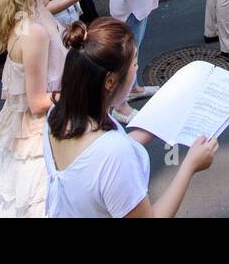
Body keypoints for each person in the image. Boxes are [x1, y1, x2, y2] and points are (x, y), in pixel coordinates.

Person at [44, 18, 218, 217]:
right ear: (110, 81)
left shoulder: (57, 113)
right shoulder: (115, 153)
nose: (136, 68)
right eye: (134, 63)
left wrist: (155, 123)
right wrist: (190, 165)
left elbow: (93, 163)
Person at [0, 0, 65, 217]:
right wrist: (83, 91)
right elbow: (37, 101)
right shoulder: (34, 31)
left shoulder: (36, 10)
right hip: (37, 140)